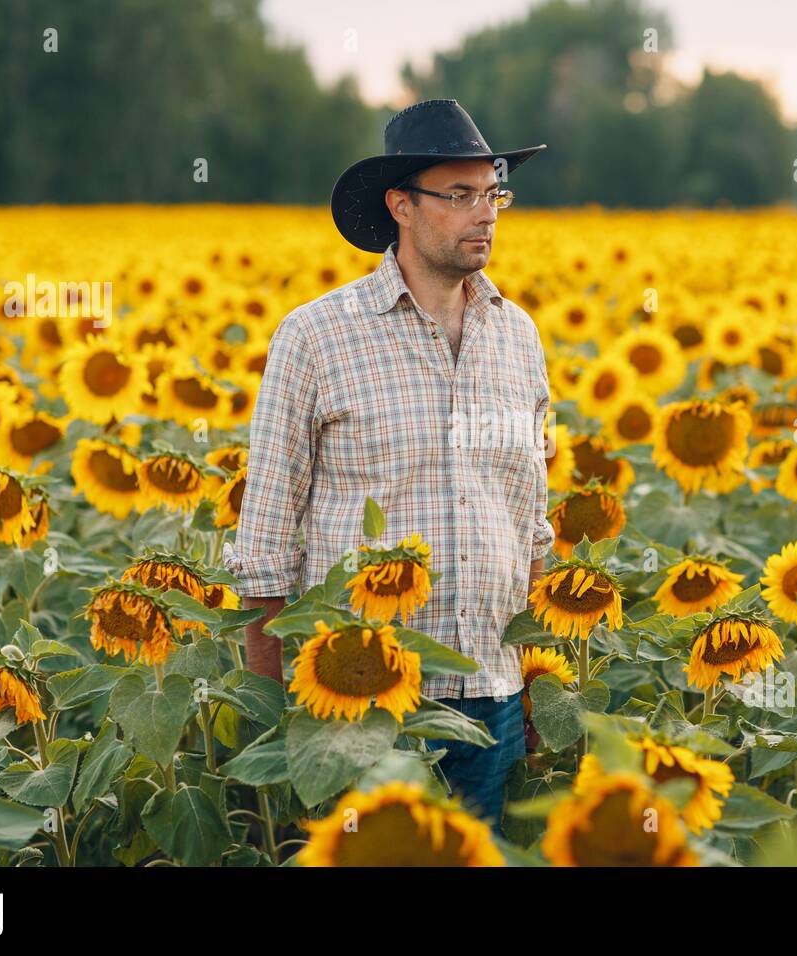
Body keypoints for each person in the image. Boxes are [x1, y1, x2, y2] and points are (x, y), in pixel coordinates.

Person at [224, 99, 552, 835]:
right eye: (460, 194)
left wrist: (533, 680)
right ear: (400, 205)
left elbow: (531, 523)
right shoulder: (315, 338)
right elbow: (266, 548)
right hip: (357, 704)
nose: (486, 213)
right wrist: (277, 707)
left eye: (492, 192)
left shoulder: (519, 337)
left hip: (492, 699)